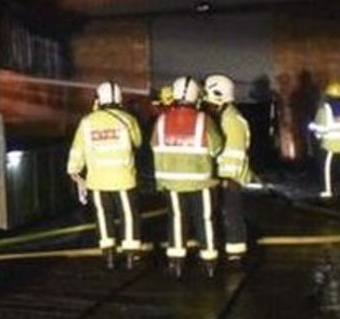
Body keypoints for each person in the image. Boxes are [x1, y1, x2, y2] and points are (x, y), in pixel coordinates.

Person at [152, 76, 224, 278]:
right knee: (205, 219)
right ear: (196, 96)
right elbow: (217, 148)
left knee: (176, 219)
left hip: (172, 182)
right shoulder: (204, 120)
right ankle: (209, 263)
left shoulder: (162, 120)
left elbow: (154, 146)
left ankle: (176, 263)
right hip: (202, 181)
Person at [67, 81, 144, 269]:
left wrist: (74, 172)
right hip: (123, 178)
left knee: (103, 215)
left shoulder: (87, 122)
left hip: (97, 180)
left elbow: (78, 151)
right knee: (128, 215)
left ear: (98, 99)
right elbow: (138, 142)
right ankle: (131, 254)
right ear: (119, 98)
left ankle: (108, 255)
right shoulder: (128, 120)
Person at [204, 74, 254, 262]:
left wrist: (227, 178)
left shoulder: (231, 120)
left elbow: (235, 153)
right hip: (222, 176)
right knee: (223, 213)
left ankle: (236, 252)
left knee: (230, 213)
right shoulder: (224, 115)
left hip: (229, 178)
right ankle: (231, 248)